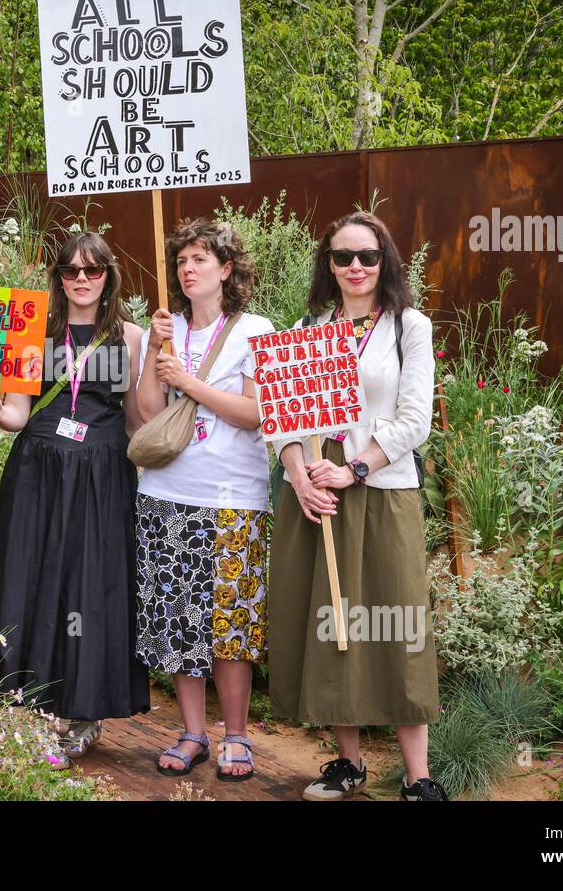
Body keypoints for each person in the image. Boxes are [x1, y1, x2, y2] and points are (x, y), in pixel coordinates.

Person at [266, 210, 446, 801]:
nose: (355, 267)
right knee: (332, 622)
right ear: (329, 264)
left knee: (398, 621)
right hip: (317, 495)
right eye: (342, 257)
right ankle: (348, 763)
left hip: (381, 489)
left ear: (385, 261)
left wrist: (355, 467)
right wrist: (299, 476)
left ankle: (418, 777)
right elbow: (282, 418)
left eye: (366, 256)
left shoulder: (408, 327)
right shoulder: (307, 327)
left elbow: (415, 419)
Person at [0, 232, 149, 762]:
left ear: (108, 276)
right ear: (59, 277)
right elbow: (18, 414)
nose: (82, 279)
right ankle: (31, 701)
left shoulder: (131, 338)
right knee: (33, 577)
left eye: (92, 270)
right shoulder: (32, 332)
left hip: (101, 472)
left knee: (89, 583)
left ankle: (85, 712)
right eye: (70, 271)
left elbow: (137, 420)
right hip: (40, 468)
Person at [135, 219, 274, 781]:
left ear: (227, 268)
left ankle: (236, 737)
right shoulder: (162, 331)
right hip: (166, 493)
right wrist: (155, 352)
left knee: (229, 624)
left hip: (233, 498)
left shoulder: (256, 331)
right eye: (182, 261)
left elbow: (258, 413)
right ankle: (193, 732)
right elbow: (148, 414)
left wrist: (189, 383)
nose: (188, 269)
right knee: (175, 619)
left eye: (199, 259)